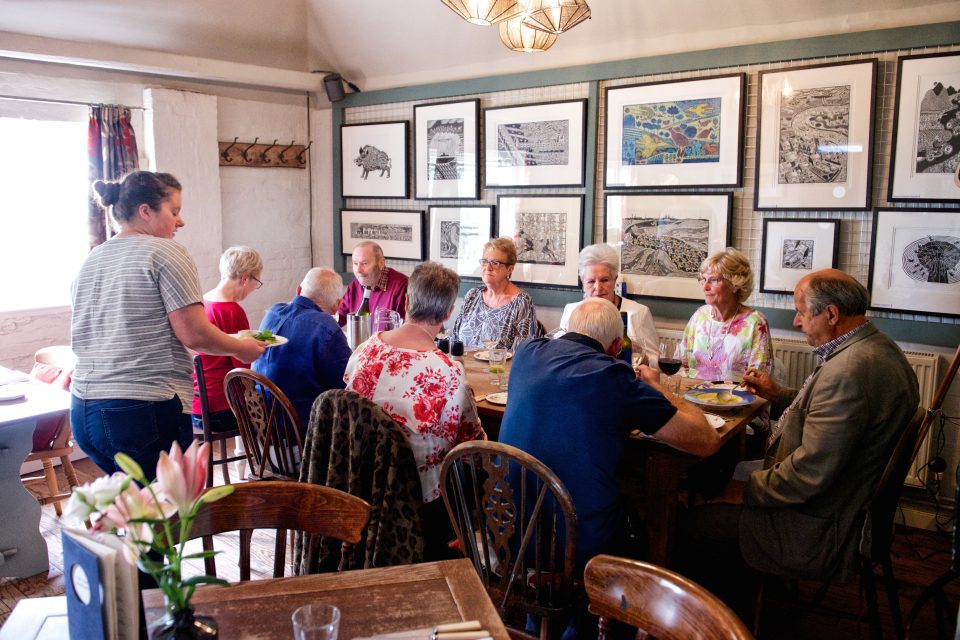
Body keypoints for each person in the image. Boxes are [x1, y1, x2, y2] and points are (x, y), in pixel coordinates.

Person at [678, 269, 920, 615]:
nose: (796, 321)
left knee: (694, 526)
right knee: (720, 478)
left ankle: (720, 623)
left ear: (831, 314)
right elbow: (825, 414)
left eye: (802, 313)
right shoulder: (877, 349)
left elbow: (809, 474)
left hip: (819, 525)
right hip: (842, 502)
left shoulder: (848, 372)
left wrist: (745, 492)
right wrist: (778, 395)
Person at [70, 171, 265, 480]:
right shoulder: (165, 251)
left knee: (131, 504)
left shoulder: (92, 259)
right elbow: (194, 334)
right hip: (141, 407)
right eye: (174, 211)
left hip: (83, 407)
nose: (180, 221)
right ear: (145, 211)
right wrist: (241, 348)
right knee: (169, 505)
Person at [501, 297, 720, 570]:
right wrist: (658, 387)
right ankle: (638, 587)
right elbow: (707, 441)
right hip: (578, 546)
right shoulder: (614, 376)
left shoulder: (526, 352)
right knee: (641, 506)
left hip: (509, 532)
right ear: (617, 346)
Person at [344, 262, 485, 558]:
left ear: (407, 300)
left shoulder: (366, 349)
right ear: (448, 313)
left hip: (360, 478)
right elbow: (471, 444)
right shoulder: (448, 372)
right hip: (417, 495)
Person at [253, 268, 352, 429]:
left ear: (298, 290)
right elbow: (346, 384)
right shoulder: (327, 327)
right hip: (302, 427)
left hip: (258, 421)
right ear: (338, 305)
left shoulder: (273, 312)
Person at [192, 246, 264, 434]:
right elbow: (243, 366)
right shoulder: (231, 311)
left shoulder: (204, 302)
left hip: (199, 405)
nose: (253, 289)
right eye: (255, 282)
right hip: (222, 408)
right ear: (245, 278)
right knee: (278, 411)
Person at [678, 247, 773, 382]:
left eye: (713, 280)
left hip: (734, 394)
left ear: (735, 284)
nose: (705, 287)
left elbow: (759, 380)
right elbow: (681, 363)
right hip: (692, 391)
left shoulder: (756, 323)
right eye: (704, 279)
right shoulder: (700, 316)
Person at [558, 243, 659, 367]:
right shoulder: (571, 311)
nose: (598, 288)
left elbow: (656, 362)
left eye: (604, 280)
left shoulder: (639, 312)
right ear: (583, 282)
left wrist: (642, 357)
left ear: (615, 280)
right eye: (591, 281)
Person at [450, 236, 538, 349]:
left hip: (499, 361)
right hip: (462, 360)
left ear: (509, 269)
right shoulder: (472, 295)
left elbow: (524, 351)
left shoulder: (521, 302)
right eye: (484, 261)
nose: (488, 267)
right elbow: (454, 338)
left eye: (495, 263)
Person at [337, 241, 408, 326]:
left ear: (381, 263)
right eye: (355, 263)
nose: (358, 270)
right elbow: (338, 318)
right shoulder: (355, 285)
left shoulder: (401, 286)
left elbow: (404, 328)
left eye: (364, 263)